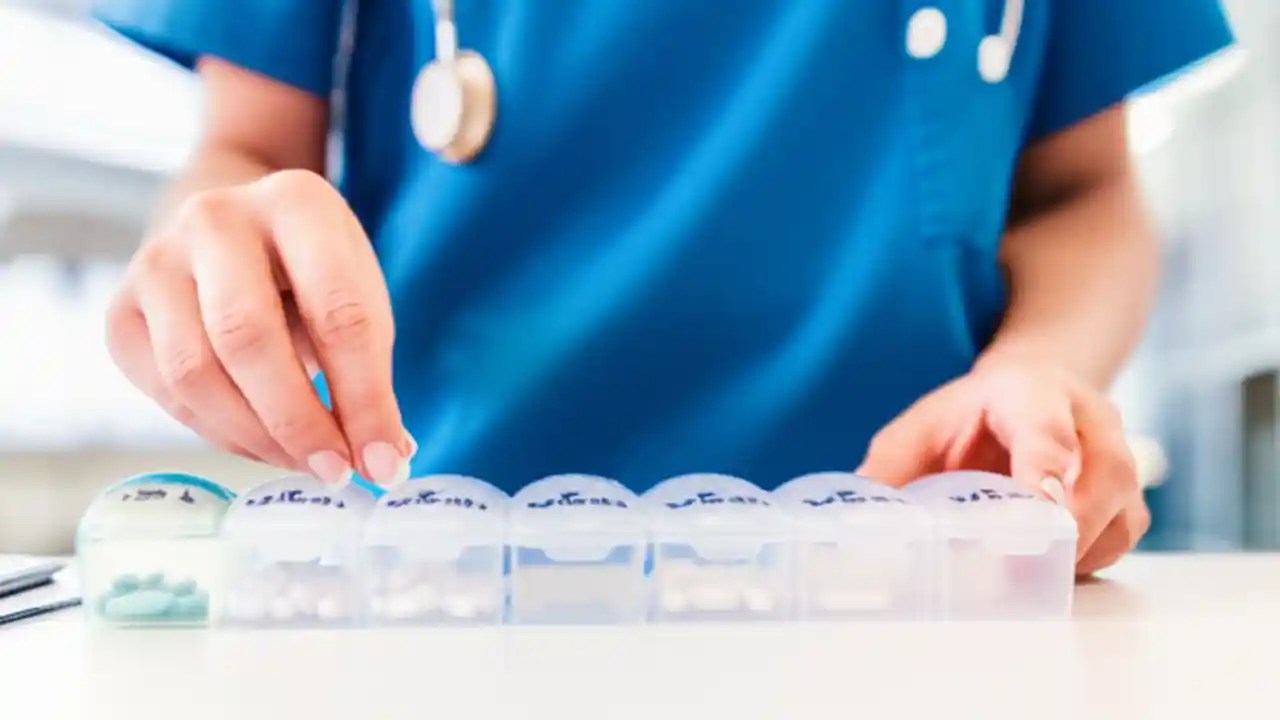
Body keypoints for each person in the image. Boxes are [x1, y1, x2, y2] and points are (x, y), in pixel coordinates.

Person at [95, 0, 1232, 574]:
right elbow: (244, 151)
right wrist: (225, 256)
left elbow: (1081, 191)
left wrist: (1040, 372)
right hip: (442, 569)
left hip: (920, 573)